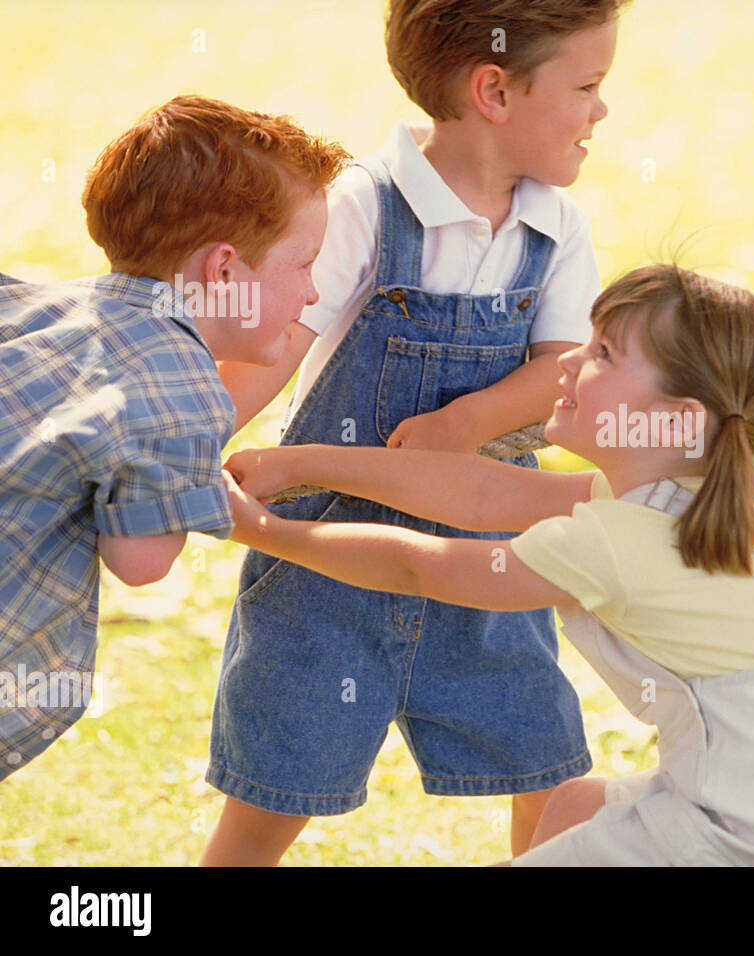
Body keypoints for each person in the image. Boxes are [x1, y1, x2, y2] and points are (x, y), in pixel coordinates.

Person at [221, 263, 754, 865]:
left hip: (749, 844)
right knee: (575, 806)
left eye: (604, 354)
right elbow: (486, 489)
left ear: (676, 418)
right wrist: (301, 463)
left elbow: (418, 568)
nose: (567, 363)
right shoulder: (696, 502)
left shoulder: (618, 543)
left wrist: (262, 531)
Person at [201, 0, 625, 865]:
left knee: (537, 755)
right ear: (495, 90)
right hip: (323, 545)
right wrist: (179, 440)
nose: (602, 111)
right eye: (588, 85)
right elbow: (279, 343)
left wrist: (469, 419)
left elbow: (565, 365)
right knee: (276, 775)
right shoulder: (363, 205)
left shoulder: (555, 228)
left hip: (488, 547)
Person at [0, 95, 347, 781]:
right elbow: (139, 560)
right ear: (223, 272)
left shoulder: (51, 307)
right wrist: (198, 491)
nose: (312, 295)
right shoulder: (183, 388)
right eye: (305, 265)